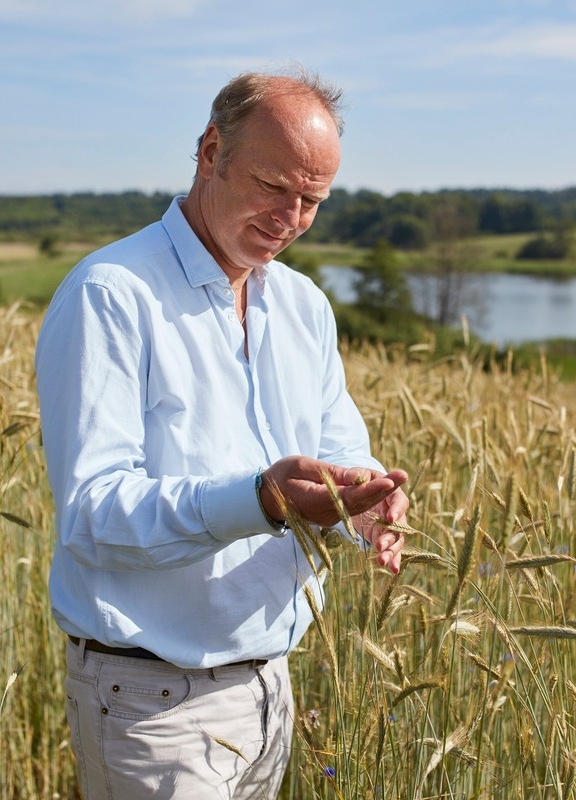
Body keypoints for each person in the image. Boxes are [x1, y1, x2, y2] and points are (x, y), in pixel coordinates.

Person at [35, 67, 410, 800]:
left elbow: (339, 454)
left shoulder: (304, 306)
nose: (291, 218)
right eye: (275, 186)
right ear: (211, 150)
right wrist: (262, 500)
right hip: (152, 704)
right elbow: (93, 514)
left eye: (313, 201)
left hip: (271, 690)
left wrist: (361, 506)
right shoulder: (112, 295)